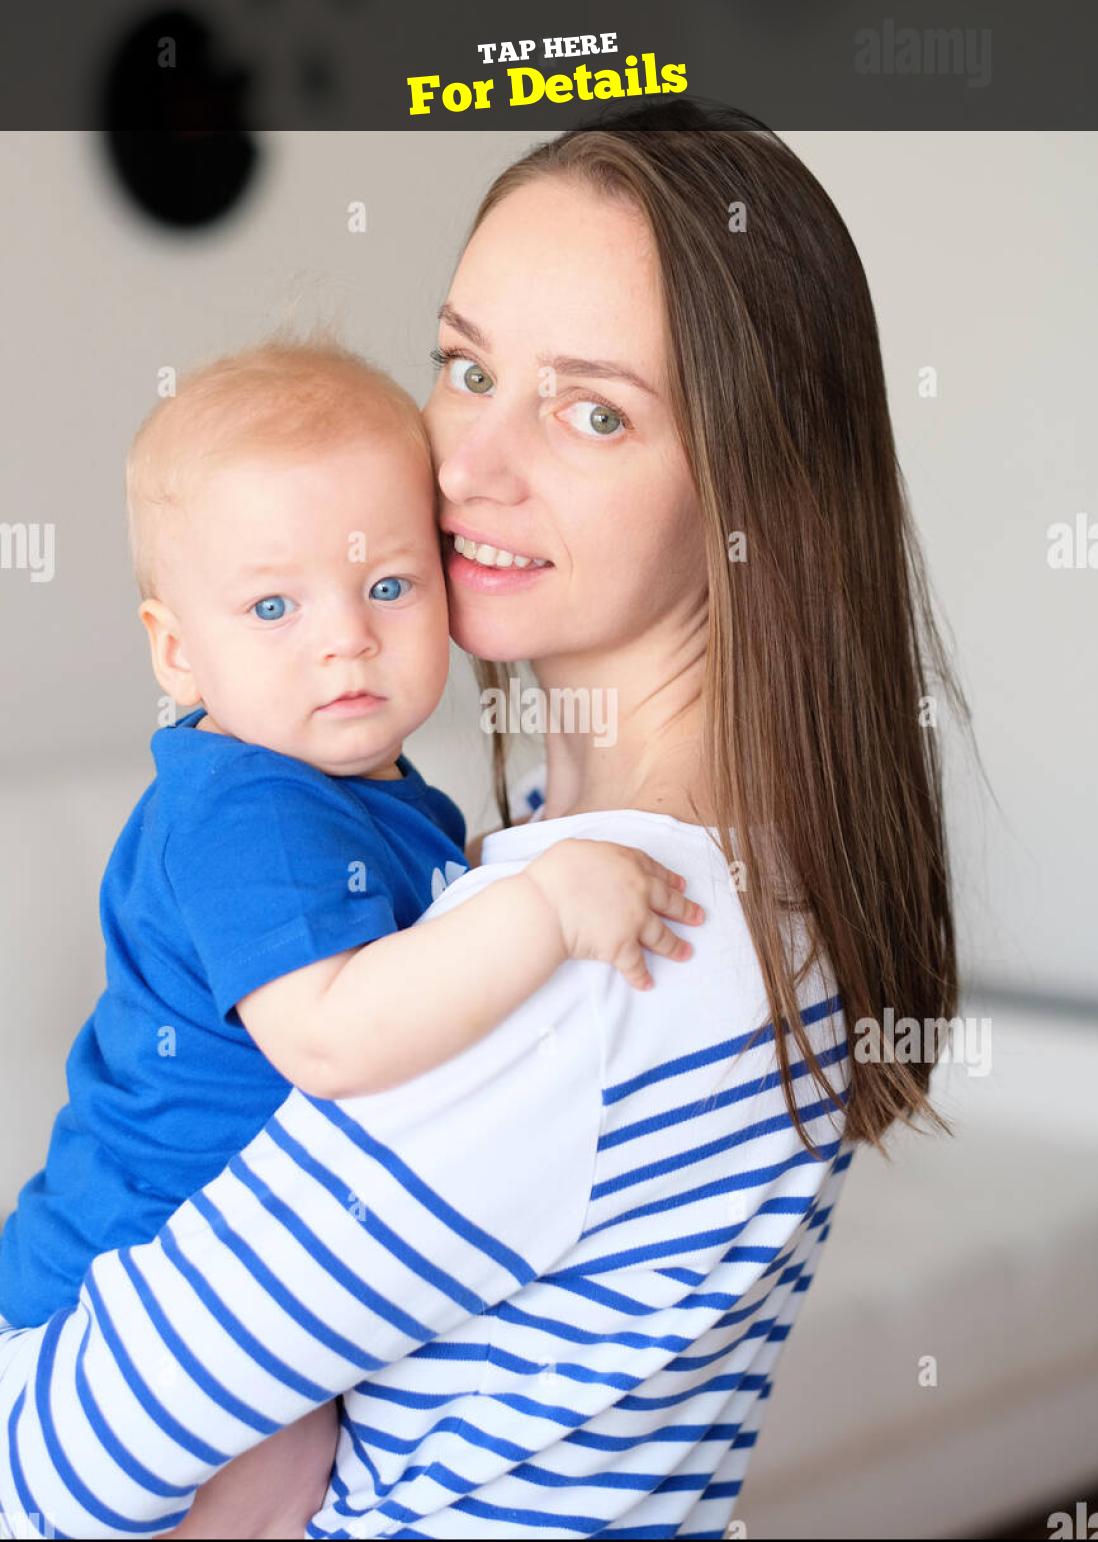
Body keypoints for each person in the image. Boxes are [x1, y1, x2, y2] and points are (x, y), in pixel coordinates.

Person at [0, 102, 961, 1540]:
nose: (465, 465)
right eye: (465, 367)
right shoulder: (713, 868)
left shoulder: (584, 945)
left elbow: (57, 1466)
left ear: (751, 487)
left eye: (593, 411)